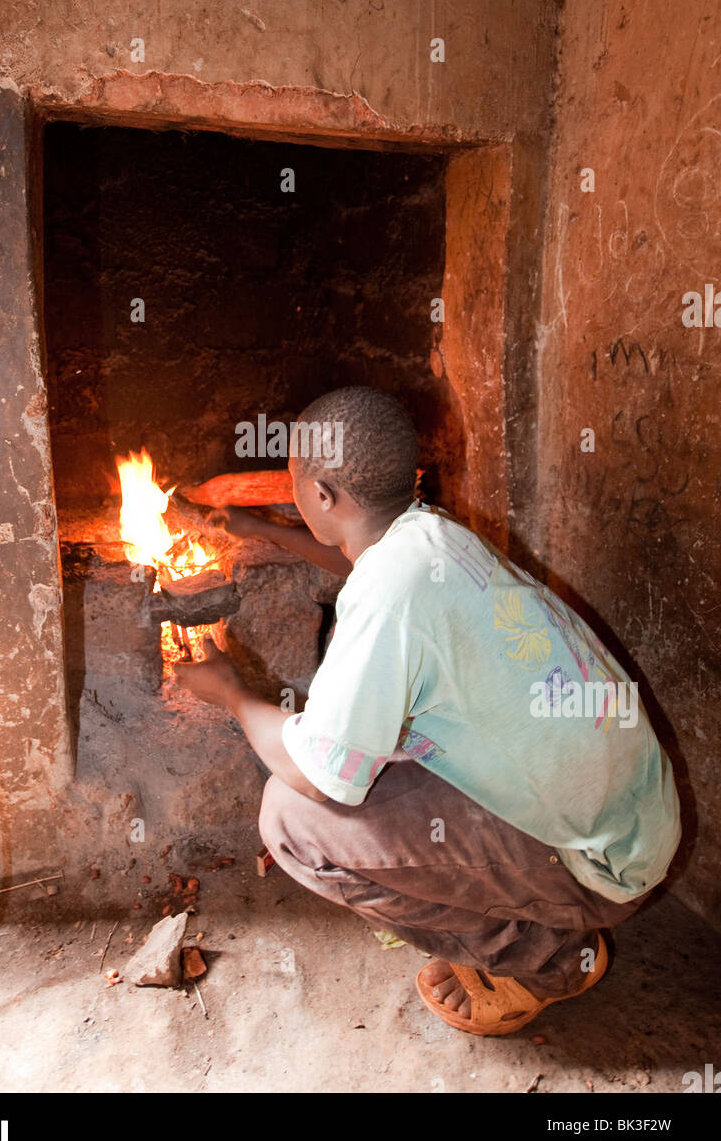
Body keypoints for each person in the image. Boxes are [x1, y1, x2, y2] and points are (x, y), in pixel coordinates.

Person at [174, 386, 681, 1036]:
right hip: (634, 814)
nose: (295, 495)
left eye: (296, 484)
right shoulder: (430, 537)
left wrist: (231, 693)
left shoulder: (389, 598)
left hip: (605, 866)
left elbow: (315, 774)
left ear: (323, 498)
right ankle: (537, 917)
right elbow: (351, 559)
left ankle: (549, 960)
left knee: (289, 817)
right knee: (380, 727)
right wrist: (257, 529)